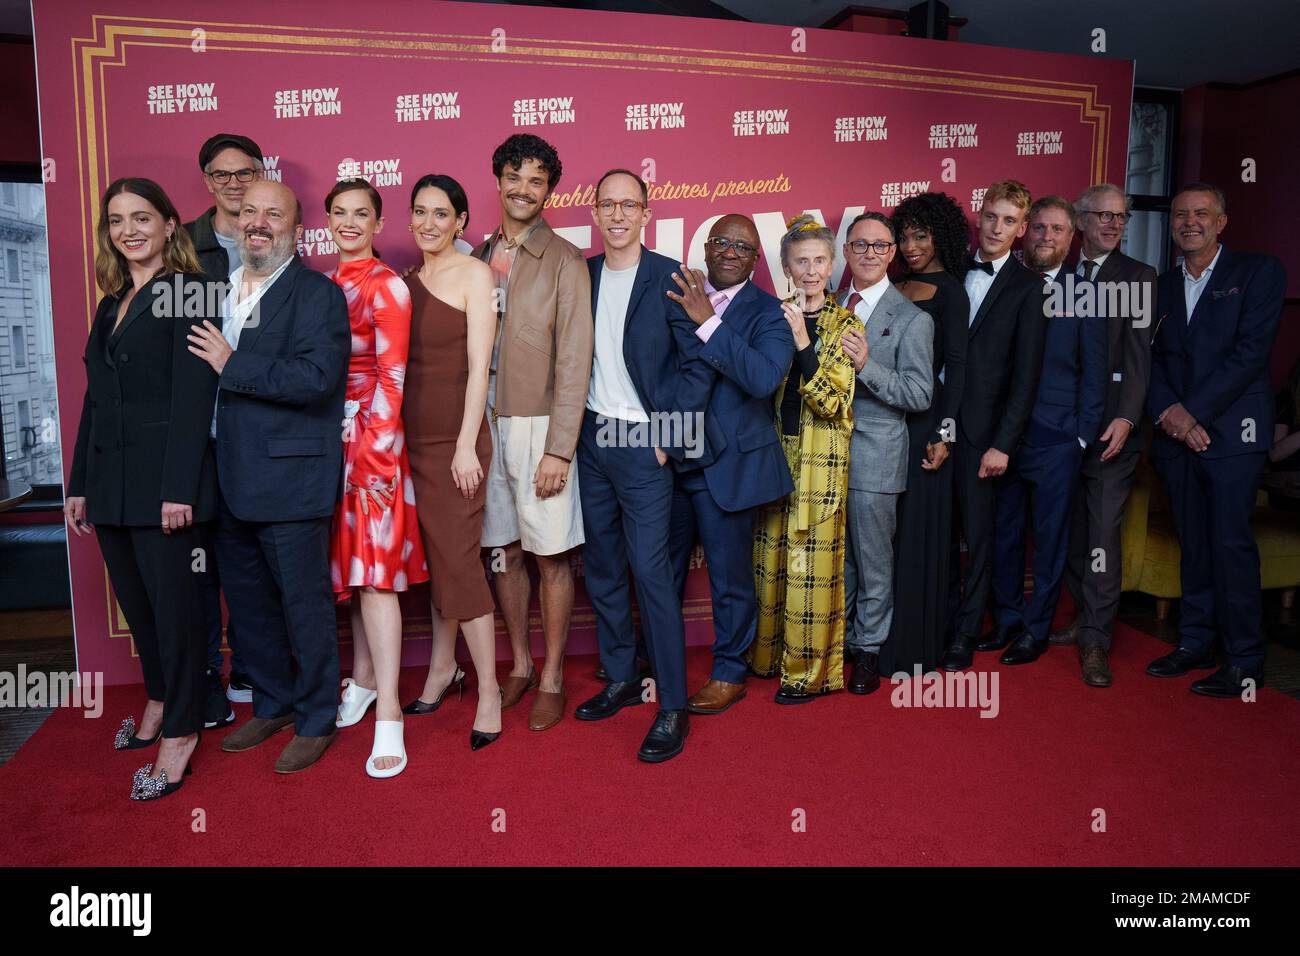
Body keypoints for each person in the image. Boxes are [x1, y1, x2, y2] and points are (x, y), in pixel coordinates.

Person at [189, 180, 351, 773]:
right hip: (227, 477)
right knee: (250, 607)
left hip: (290, 480)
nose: (258, 222)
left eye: (272, 214)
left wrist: (235, 365)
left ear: (295, 226)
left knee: (303, 607)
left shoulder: (317, 295)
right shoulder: (219, 291)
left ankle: (315, 718)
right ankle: (275, 701)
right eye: (248, 211)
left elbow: (315, 380)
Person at [66, 177, 216, 800]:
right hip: (111, 488)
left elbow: (194, 397)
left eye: (142, 217)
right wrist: (79, 484)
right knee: (142, 609)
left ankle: (181, 732)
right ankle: (158, 701)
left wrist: (179, 488)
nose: (129, 229)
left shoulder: (189, 291)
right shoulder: (111, 303)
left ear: (169, 225)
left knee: (177, 615)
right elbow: (97, 401)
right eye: (117, 220)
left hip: (166, 490)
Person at [572, 169, 704, 761]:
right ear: (595, 213)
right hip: (592, 439)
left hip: (646, 444)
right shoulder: (584, 273)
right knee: (601, 566)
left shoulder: (672, 276)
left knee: (651, 574)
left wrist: (669, 438)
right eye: (608, 205)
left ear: (646, 213)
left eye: (630, 204)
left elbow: (699, 365)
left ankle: (673, 703)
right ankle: (622, 677)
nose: (618, 214)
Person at [1146, 182, 1286, 697]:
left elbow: (1249, 354)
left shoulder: (1259, 272)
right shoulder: (1159, 285)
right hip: (1175, 436)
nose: (1189, 222)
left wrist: (1192, 414)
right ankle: (1196, 642)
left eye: (1201, 213)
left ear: (1221, 222)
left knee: (1230, 545)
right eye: (1181, 214)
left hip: (1232, 434)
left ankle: (1245, 661)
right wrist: (1169, 414)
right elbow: (1149, 360)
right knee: (1194, 544)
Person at [473, 135, 593, 732]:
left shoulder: (566, 260)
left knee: (550, 556)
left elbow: (576, 362)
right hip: (485, 427)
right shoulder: (476, 253)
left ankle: (551, 676)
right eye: (514, 176)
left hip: (539, 426)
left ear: (550, 191)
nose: (524, 188)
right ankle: (518, 663)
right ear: (497, 180)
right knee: (503, 549)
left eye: (537, 180)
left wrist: (559, 448)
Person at [322, 179, 429, 777]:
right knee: (357, 572)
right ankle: (362, 680)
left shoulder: (386, 284)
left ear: (379, 223)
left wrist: (373, 456)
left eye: (361, 214)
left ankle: (389, 709)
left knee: (376, 574)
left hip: (373, 449)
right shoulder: (324, 284)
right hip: (329, 446)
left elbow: (393, 376)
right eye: (339, 213)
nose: (348, 222)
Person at [666, 214, 795, 714]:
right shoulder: (675, 295)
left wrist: (709, 321)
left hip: (729, 469)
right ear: (706, 246)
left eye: (742, 247)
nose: (729, 251)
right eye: (721, 241)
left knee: (730, 578)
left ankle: (729, 671)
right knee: (661, 571)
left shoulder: (770, 313)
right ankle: (653, 657)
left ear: (755, 259)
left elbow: (763, 379)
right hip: (674, 460)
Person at [401, 173, 503, 751]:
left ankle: (488, 688)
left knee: (460, 562)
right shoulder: (405, 279)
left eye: (442, 213)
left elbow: (478, 367)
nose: (429, 223)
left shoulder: (474, 274)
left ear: (461, 222)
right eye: (420, 211)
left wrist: (467, 444)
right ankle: (443, 668)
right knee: (439, 559)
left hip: (455, 443)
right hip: (407, 441)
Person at [748, 216, 864, 701]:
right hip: (777, 453)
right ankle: (769, 658)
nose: (812, 270)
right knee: (770, 561)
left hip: (822, 458)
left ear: (832, 264)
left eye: (820, 260)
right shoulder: (771, 315)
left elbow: (835, 401)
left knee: (812, 569)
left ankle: (808, 675)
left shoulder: (846, 324)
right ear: (786, 267)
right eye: (802, 261)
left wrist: (801, 343)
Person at [988, 196, 1105, 667]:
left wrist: (1080, 436)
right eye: (1039, 228)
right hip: (1002, 438)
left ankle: (1037, 630)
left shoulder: (1084, 293)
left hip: (1057, 439)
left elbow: (1095, 373)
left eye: (1057, 230)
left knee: (1051, 540)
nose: (1046, 237)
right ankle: (1008, 620)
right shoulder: (1007, 283)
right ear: (1025, 231)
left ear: (1072, 237)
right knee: (1005, 534)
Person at [1052, 183, 1158, 686]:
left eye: (1122, 217)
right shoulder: (1061, 274)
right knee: (1074, 529)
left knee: (1100, 535)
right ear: (1080, 221)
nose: (1114, 225)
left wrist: (1128, 418)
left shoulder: (1137, 276)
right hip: (1063, 430)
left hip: (1113, 429)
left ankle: (1097, 638)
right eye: (1104, 216)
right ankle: (1082, 619)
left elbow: (1139, 360)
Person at [940, 179, 1049, 672]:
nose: (996, 227)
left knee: (979, 538)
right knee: (936, 530)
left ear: (1022, 230)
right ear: (978, 217)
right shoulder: (951, 270)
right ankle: (934, 625)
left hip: (984, 435)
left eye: (1008, 221)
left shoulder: (1030, 289)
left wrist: (1003, 443)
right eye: (990, 216)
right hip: (934, 422)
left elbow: (1026, 378)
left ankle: (965, 633)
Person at [183, 132, 265, 725]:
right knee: (198, 561)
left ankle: (259, 670)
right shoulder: (183, 246)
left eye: (246, 172)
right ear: (207, 180)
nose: (234, 183)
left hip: (261, 428)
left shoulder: (276, 236)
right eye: (222, 174)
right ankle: (209, 676)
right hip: (199, 428)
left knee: (253, 559)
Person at [838, 212, 934, 694]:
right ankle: (843, 642)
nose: (870, 253)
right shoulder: (828, 303)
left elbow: (919, 395)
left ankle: (870, 650)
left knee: (873, 561)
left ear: (893, 253)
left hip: (876, 457)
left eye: (880, 246)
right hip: (824, 458)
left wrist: (867, 365)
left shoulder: (912, 318)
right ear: (847, 251)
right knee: (840, 561)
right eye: (860, 245)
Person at [884, 192, 969, 676]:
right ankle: (879, 638)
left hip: (928, 426)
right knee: (887, 537)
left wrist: (945, 433)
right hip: (887, 421)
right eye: (905, 235)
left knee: (919, 534)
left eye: (921, 235)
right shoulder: (895, 283)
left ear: (942, 237)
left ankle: (915, 648)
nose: (911, 245)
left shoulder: (952, 293)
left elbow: (956, 370)